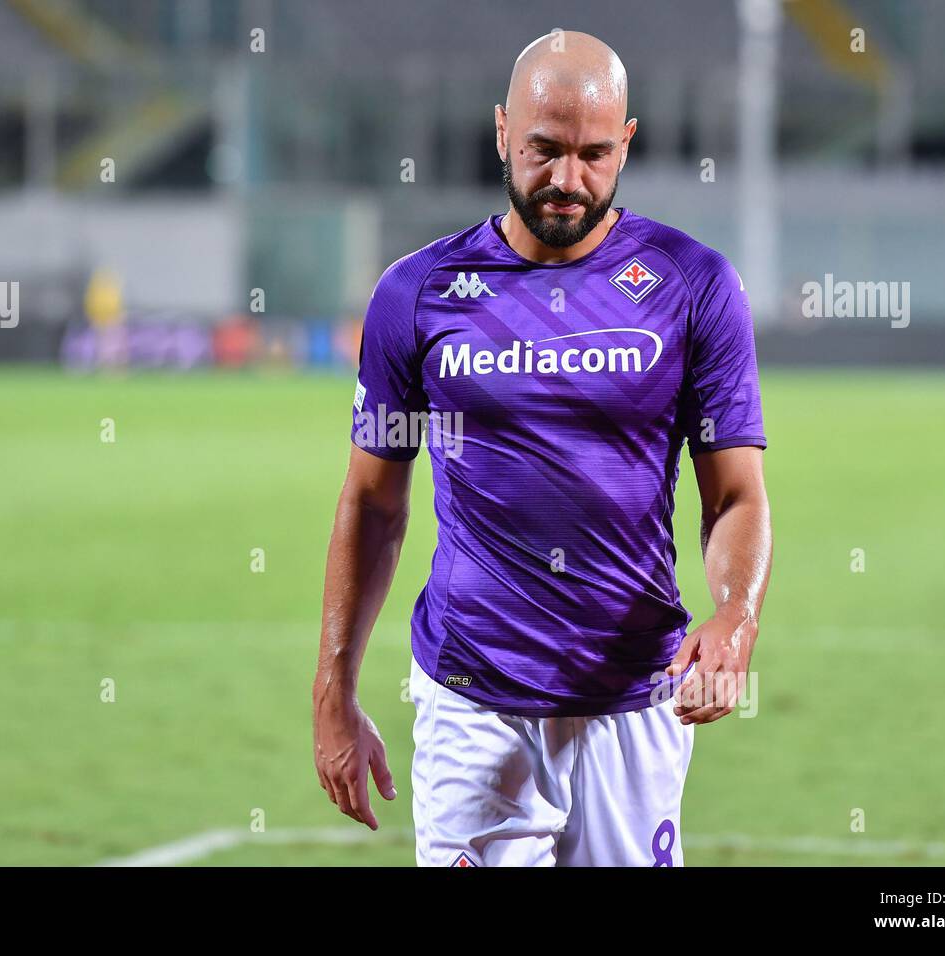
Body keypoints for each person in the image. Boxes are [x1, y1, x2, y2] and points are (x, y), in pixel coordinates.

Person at [312, 29, 772, 866]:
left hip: (634, 697)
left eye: (595, 154)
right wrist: (332, 689)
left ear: (627, 142)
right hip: (471, 697)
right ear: (501, 133)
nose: (567, 180)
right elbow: (373, 501)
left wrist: (736, 616)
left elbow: (736, 496)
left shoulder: (694, 284)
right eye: (543, 150)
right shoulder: (416, 294)